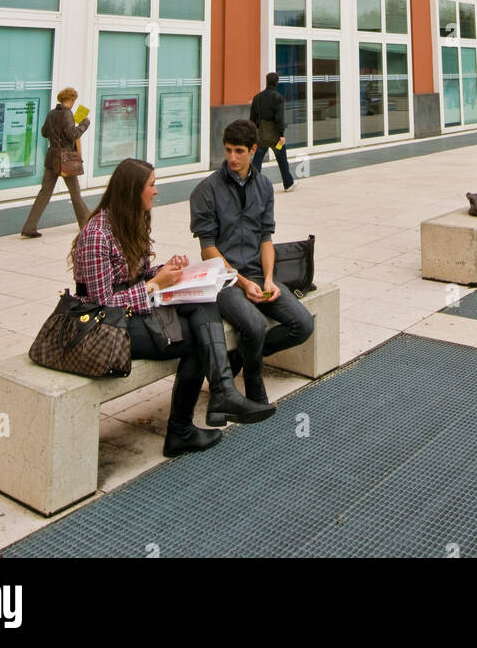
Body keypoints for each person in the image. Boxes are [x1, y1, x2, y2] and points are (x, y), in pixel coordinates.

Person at [72, 158, 274, 458]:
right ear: (132, 191)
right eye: (151, 185)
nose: (156, 192)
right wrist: (154, 285)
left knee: (202, 303)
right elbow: (101, 303)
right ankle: (184, 427)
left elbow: (134, 275)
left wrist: (163, 271)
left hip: (130, 311)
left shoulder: (131, 219)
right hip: (102, 327)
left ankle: (222, 394)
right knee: (193, 341)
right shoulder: (96, 234)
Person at [190, 120, 314, 403]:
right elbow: (207, 249)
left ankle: (245, 355)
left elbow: (266, 238)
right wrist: (243, 283)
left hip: (258, 274)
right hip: (222, 280)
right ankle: (253, 380)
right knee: (255, 325)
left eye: (239, 151)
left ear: (254, 150)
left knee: (303, 324)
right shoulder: (206, 190)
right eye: (228, 150)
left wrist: (269, 278)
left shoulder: (264, 186)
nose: (232, 158)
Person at [22, 87, 91, 238]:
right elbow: (73, 134)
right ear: (72, 100)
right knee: (75, 192)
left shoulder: (51, 113)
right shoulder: (68, 113)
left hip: (51, 157)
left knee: (45, 192)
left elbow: (44, 132)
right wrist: (84, 124)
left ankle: (29, 226)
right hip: (65, 158)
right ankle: (85, 224)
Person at [249, 71, 294, 191]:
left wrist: (254, 134)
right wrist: (281, 135)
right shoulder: (277, 97)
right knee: (282, 161)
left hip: (262, 137)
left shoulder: (257, 98)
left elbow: (252, 119)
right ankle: (288, 184)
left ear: (266, 81)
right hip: (275, 139)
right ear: (277, 82)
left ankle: (252, 185)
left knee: (257, 162)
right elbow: (279, 118)